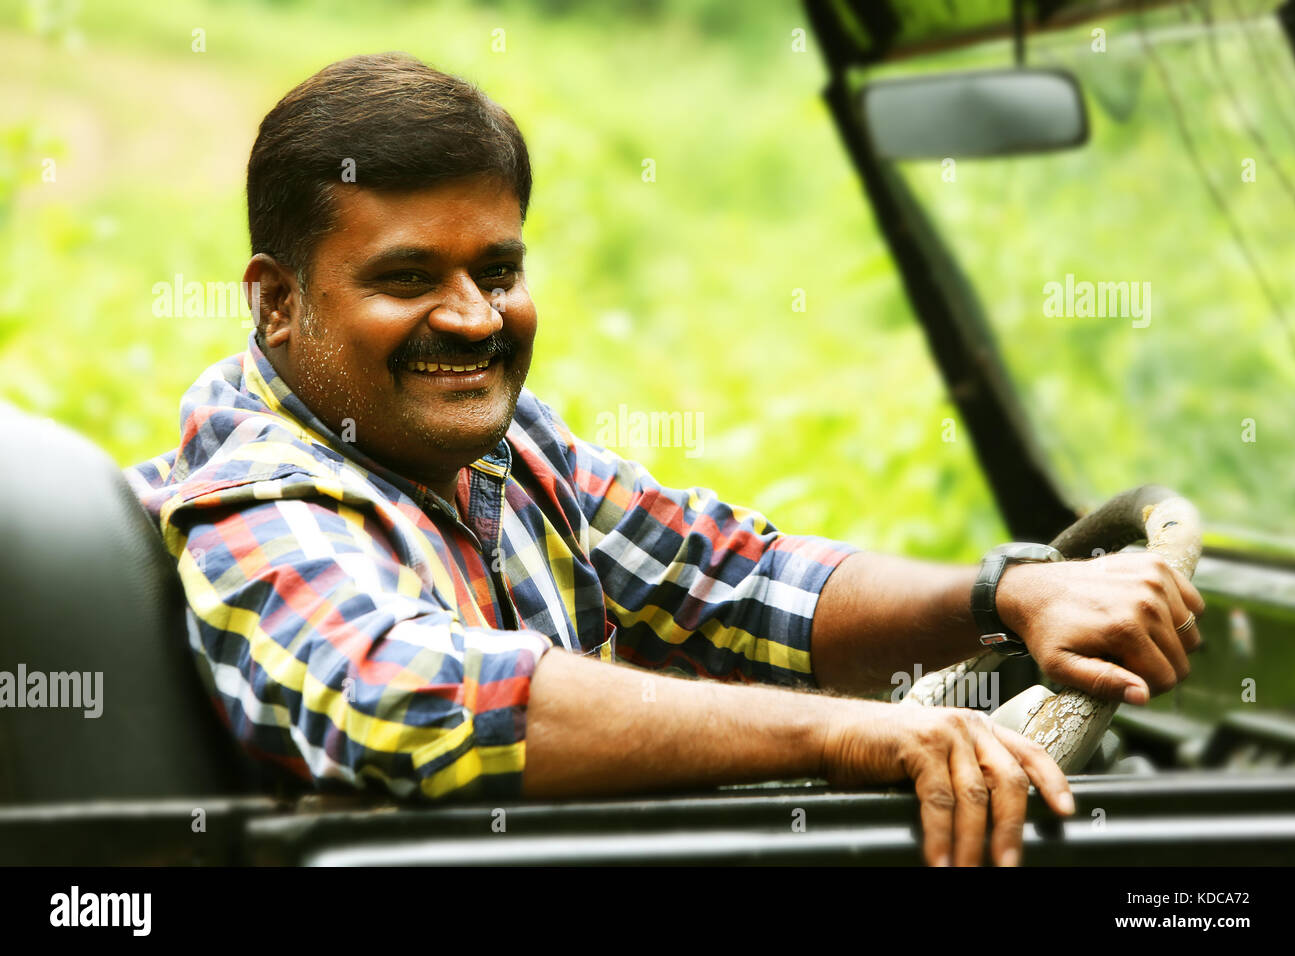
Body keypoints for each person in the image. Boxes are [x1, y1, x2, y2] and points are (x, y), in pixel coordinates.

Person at [127, 52, 1205, 867]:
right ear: (278, 302)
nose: (471, 318)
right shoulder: (256, 493)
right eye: (408, 278)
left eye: (496, 269)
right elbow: (416, 698)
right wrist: (856, 736)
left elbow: (728, 575)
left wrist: (1008, 592)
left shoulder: (497, 447)